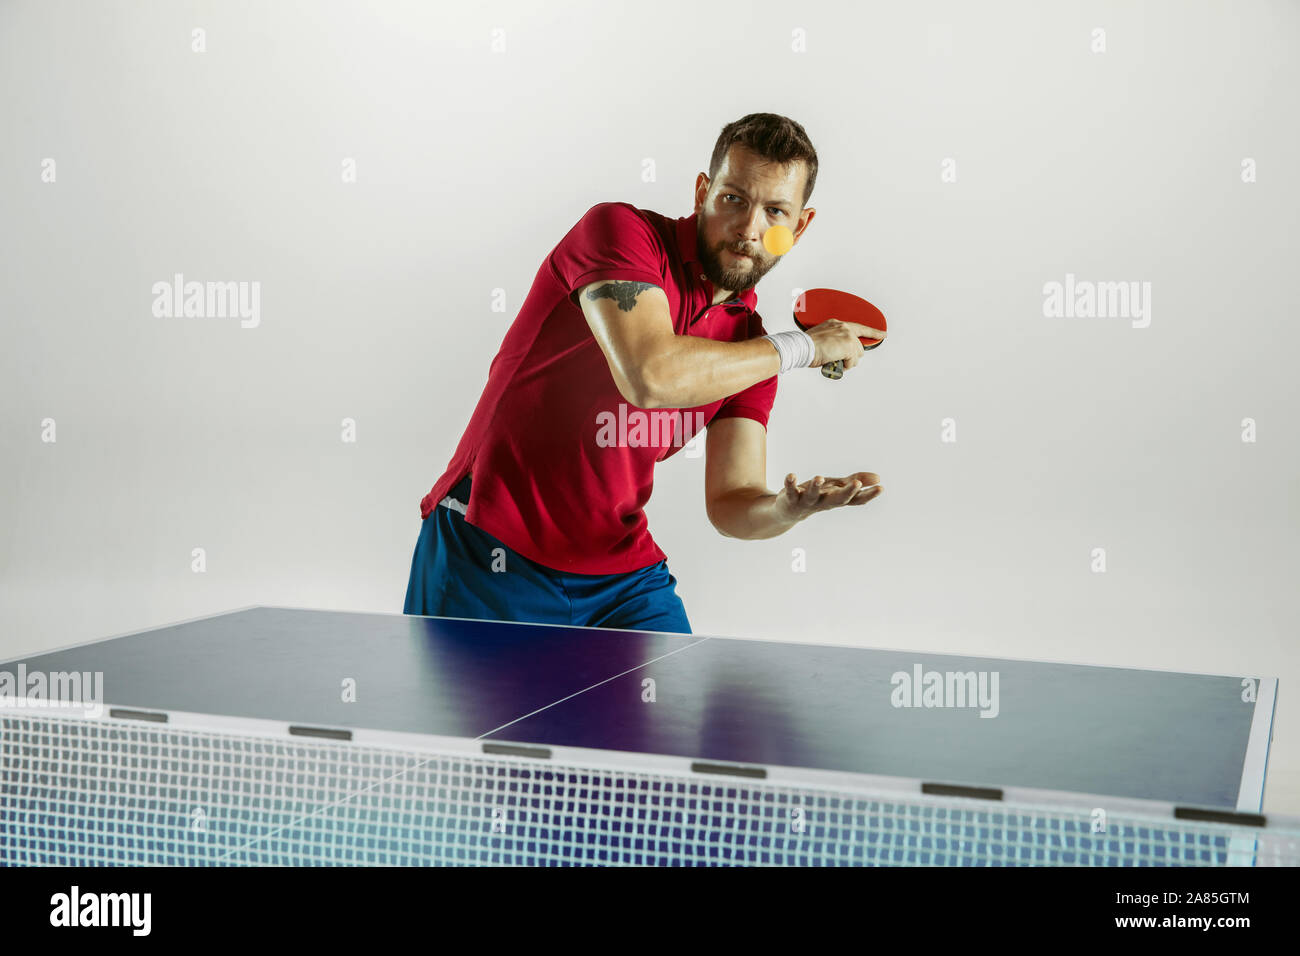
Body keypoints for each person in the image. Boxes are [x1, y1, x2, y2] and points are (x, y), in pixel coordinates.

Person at [405, 113, 884, 634]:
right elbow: (649, 375)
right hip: (487, 552)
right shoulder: (620, 234)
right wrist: (800, 348)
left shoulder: (751, 346)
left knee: (674, 714)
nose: (749, 229)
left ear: (799, 225)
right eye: (733, 199)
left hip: (620, 582)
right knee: (468, 721)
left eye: (775, 212)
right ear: (703, 191)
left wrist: (788, 508)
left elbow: (731, 501)